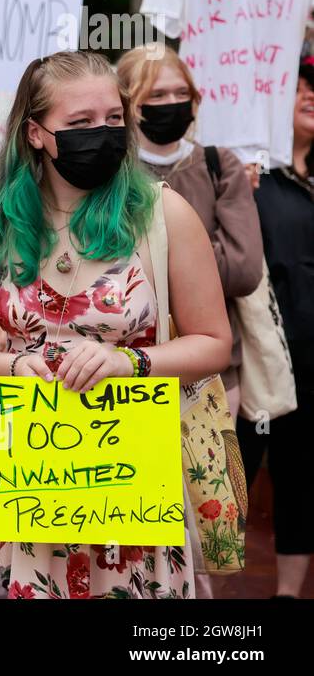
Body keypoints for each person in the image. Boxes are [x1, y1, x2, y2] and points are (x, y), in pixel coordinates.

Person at [0, 50, 232, 599]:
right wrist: (13, 365)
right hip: (21, 486)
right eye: (80, 124)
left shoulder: (164, 215)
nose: (103, 133)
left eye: (113, 119)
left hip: (132, 490)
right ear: (35, 134)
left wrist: (131, 362)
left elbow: (214, 343)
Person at [117, 44, 263, 416]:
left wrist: (158, 258)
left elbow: (244, 271)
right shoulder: (110, 172)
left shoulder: (219, 164)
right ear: (129, 103)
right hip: (125, 373)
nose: (173, 103)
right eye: (158, 95)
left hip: (211, 376)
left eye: (182, 94)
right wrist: (199, 256)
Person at [245, 60, 314, 599]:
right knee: (223, 483)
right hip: (251, 367)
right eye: (303, 85)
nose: (312, 95)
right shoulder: (248, 172)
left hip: (312, 373)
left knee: (301, 487)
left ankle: (287, 597)